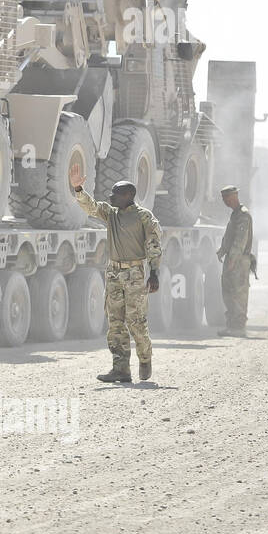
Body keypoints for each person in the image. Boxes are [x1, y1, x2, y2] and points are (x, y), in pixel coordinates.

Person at [69, 164, 162, 383]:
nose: (111, 198)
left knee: (136, 321)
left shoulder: (144, 217)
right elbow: (91, 207)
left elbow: (154, 244)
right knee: (115, 322)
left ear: (128, 196)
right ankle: (120, 368)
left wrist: (154, 272)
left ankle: (145, 358)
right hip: (113, 274)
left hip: (135, 274)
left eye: (115, 195)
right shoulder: (111, 213)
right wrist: (79, 189)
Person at [216, 184, 254, 337]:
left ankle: (238, 327)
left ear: (234, 196)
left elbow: (240, 240)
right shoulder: (235, 214)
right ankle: (232, 325)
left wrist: (232, 258)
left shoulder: (243, 215)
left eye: (227, 197)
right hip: (233, 258)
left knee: (238, 292)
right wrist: (222, 250)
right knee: (228, 292)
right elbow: (230, 236)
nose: (225, 201)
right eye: (224, 198)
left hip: (239, 260)